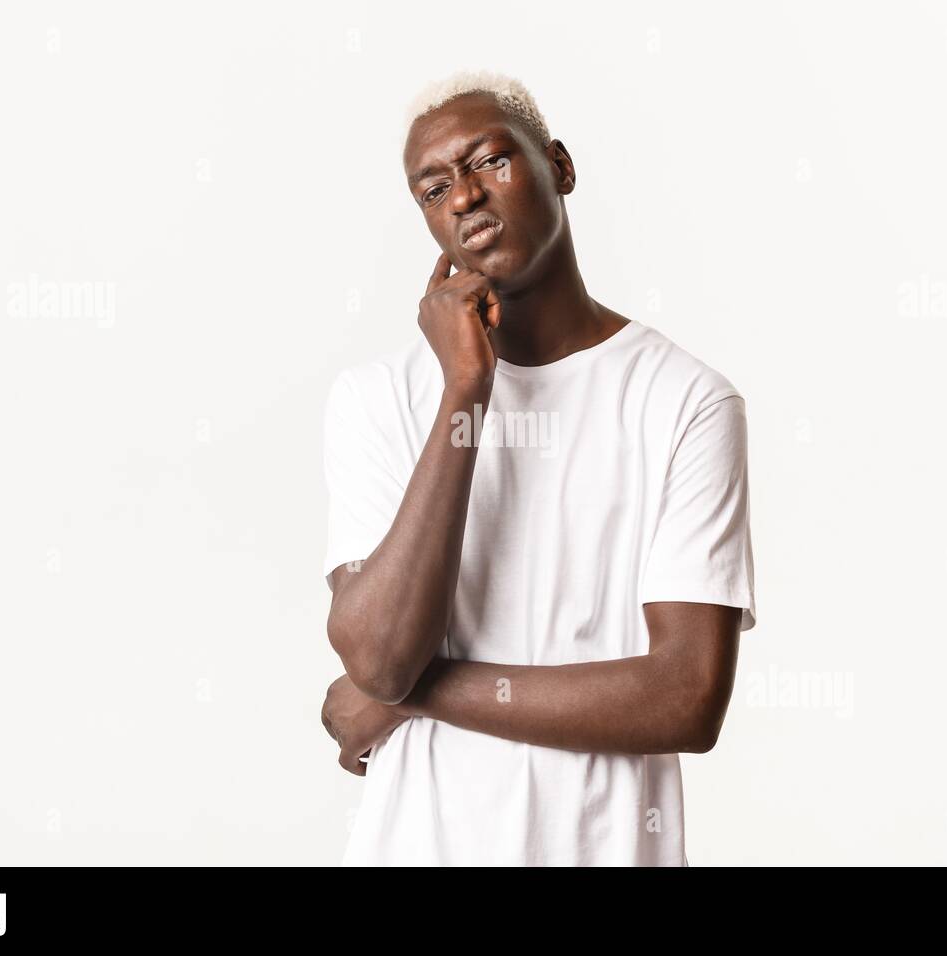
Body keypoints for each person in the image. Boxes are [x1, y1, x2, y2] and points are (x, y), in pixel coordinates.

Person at [319, 70, 756, 866]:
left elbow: (686, 697)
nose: (463, 198)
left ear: (558, 166)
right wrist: (464, 390)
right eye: (432, 188)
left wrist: (410, 696)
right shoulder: (377, 399)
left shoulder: (686, 401)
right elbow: (379, 656)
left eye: (489, 162)